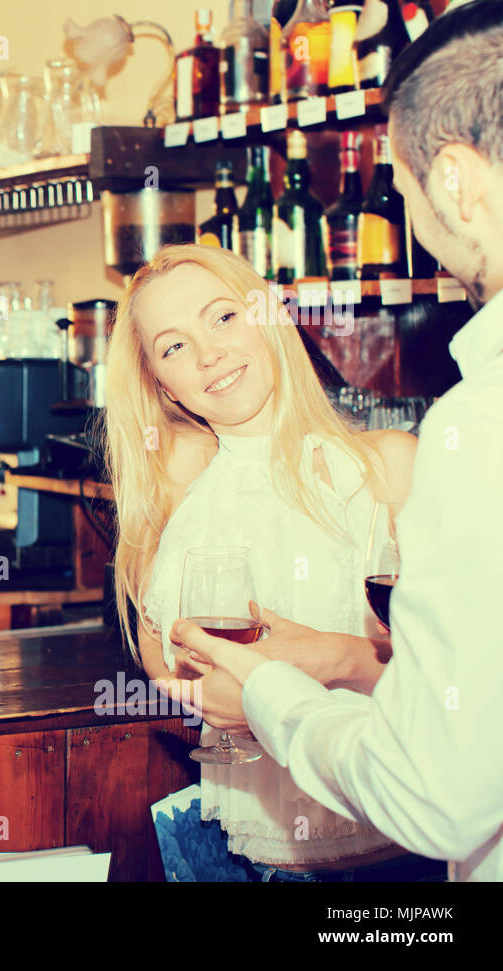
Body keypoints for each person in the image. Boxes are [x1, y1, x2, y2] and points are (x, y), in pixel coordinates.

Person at [159, 0, 503, 882]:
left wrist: (273, 693)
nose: (405, 207)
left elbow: (435, 789)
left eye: (403, 181)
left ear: (458, 181)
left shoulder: (471, 426)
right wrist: (349, 658)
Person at [103, 242, 439, 880]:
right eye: (173, 347)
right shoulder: (170, 523)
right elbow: (179, 692)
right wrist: (219, 705)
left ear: (266, 316)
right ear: (162, 386)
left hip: (398, 860)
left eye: (224, 317)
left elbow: (469, 689)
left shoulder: (389, 469)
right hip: (241, 862)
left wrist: (341, 660)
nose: (209, 355)